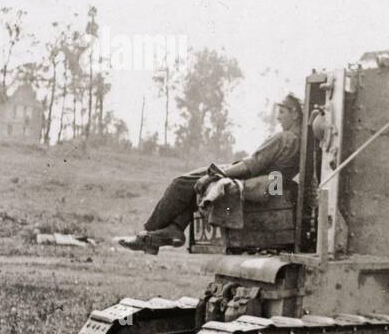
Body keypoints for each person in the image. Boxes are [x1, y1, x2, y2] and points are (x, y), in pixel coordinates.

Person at [117, 93, 303, 253]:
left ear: (295, 113)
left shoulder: (285, 137)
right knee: (194, 185)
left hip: (255, 177)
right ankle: (174, 229)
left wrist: (216, 175)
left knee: (181, 183)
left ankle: (147, 233)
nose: (278, 117)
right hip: (268, 181)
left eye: (282, 112)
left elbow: (251, 165)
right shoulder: (300, 140)